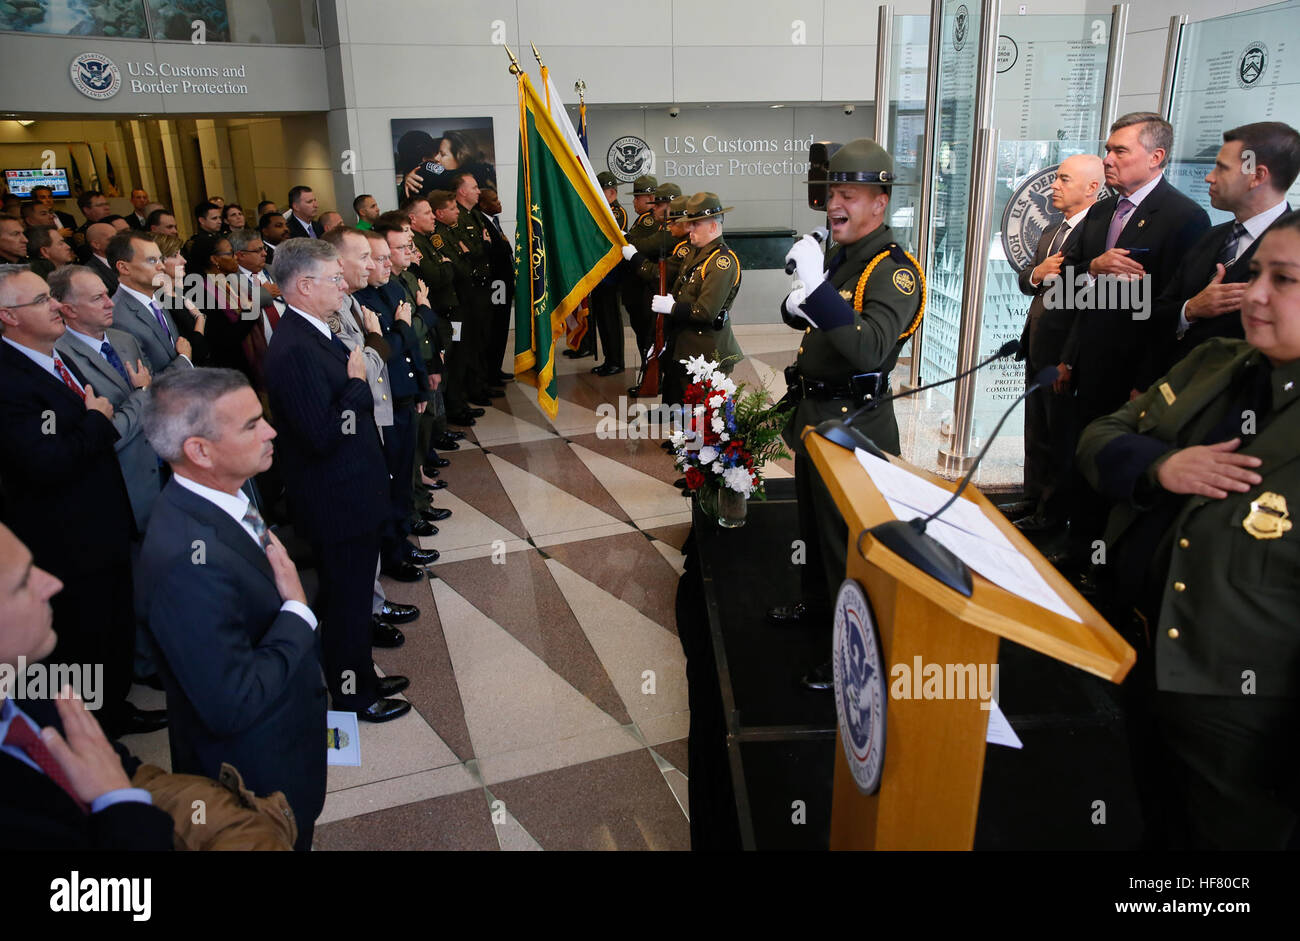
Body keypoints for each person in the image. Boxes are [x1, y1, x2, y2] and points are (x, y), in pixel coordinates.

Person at [1076, 210, 1300, 849]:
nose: (1253, 295)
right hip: (1146, 661)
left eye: (1283, 280)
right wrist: (1161, 466)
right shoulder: (1215, 363)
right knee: (1162, 827)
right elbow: (1101, 437)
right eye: (1255, 273)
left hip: (1245, 716)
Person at [137, 367, 327, 850]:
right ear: (199, 451)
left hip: (288, 738)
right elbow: (231, 701)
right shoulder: (187, 559)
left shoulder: (230, 493)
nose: (271, 431)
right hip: (254, 775)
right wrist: (298, 614)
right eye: (251, 426)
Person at [768, 138, 926, 691]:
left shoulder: (892, 270)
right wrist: (799, 302)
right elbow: (814, 318)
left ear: (880, 202)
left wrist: (814, 287)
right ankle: (818, 606)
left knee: (848, 542)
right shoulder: (841, 254)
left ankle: (856, 653)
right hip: (817, 410)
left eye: (850, 194)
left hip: (854, 420)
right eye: (833, 191)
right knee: (813, 525)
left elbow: (869, 346)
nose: (836, 203)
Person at [0, 265, 166, 738]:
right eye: (39, 301)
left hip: (102, 521)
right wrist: (96, 419)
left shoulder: (51, 358)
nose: (54, 305)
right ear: (7, 317)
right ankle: (93, 735)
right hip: (67, 536)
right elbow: (46, 460)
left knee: (110, 624)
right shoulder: (10, 381)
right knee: (83, 635)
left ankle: (112, 712)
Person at [1058, 113, 1212, 589]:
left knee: (1116, 472)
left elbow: (1171, 311)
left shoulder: (1186, 218)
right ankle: (1075, 554)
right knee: (1081, 462)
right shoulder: (1103, 212)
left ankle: (1105, 574)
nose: (1108, 159)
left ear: (1156, 156)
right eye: (1108, 149)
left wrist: (1147, 383)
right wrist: (1093, 271)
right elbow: (1066, 290)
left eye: (1120, 151)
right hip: (1087, 363)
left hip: (1135, 376)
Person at [263, 238, 410, 723]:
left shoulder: (314, 331)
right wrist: (355, 385)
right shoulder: (294, 347)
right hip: (335, 499)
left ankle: (359, 672)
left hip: (351, 490)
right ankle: (354, 695)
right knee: (346, 601)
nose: (344, 284)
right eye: (333, 278)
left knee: (348, 598)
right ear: (303, 286)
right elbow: (322, 433)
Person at [0, 522, 173, 850]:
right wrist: (120, 805)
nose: (52, 583)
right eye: (23, 581)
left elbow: (115, 764)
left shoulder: (32, 692)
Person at [1147, 121, 1298, 375]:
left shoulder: (1293, 250)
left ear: (1257, 176)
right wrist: (1191, 308)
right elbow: (1160, 312)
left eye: (1221, 168)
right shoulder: (1210, 238)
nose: (1209, 177)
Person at [1013, 153, 1105, 536]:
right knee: (1035, 430)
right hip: (1036, 347)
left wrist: (1069, 359)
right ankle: (1032, 498)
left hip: (1064, 354)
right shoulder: (1052, 231)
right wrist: (1036, 272)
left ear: (1091, 188)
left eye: (1064, 179)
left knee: (1059, 436)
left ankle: (1050, 516)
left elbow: (1089, 303)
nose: (1054, 185)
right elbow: (1027, 283)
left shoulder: (1098, 235)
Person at [109, 231, 194, 374]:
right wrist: (184, 359)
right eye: (152, 261)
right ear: (124, 268)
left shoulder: (154, 299)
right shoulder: (116, 317)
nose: (161, 266)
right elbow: (144, 381)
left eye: (160, 259)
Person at [620, 174, 662, 380]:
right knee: (643, 335)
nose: (634, 201)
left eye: (638, 197)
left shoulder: (650, 220)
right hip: (637, 289)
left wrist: (625, 237)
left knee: (647, 336)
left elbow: (637, 245)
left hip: (644, 288)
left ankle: (651, 377)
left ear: (650, 197)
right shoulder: (642, 219)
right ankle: (648, 376)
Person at [591, 170, 630, 377]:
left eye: (602, 191)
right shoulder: (601, 211)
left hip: (611, 275)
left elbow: (606, 239)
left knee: (611, 320)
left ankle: (616, 361)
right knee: (602, 320)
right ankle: (609, 359)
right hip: (600, 275)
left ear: (612, 193)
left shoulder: (616, 212)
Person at [478, 184, 515, 383]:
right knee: (496, 326)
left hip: (505, 282)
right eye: (493, 200)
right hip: (496, 285)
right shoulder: (482, 223)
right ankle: (491, 371)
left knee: (501, 326)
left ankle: (497, 368)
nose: (498, 202)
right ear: (482, 204)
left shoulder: (494, 221)